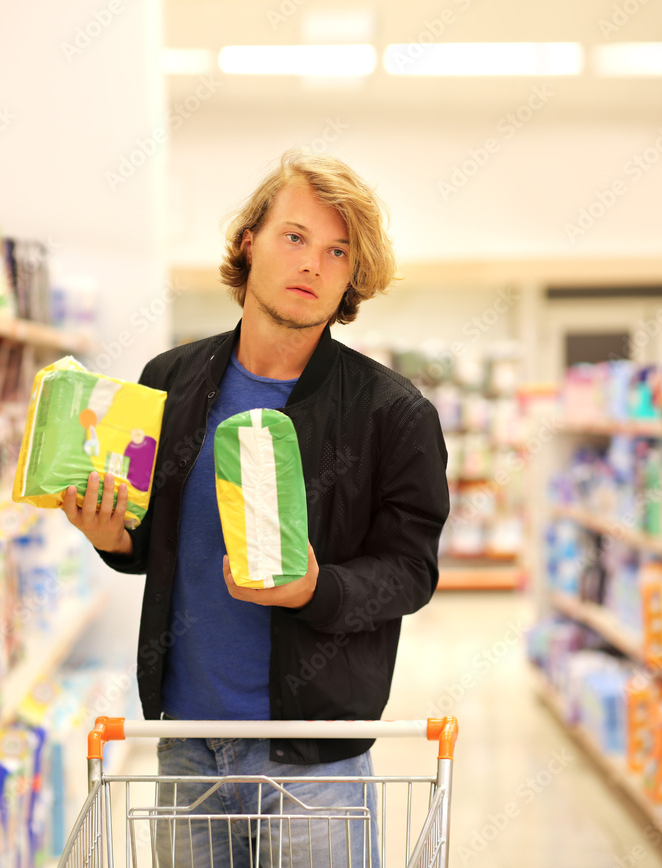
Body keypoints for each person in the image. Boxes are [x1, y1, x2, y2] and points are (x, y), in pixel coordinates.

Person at [62, 149, 450, 867]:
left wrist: (316, 588)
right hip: (183, 748)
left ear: (352, 277)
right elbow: (149, 545)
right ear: (250, 242)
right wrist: (112, 538)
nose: (313, 265)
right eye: (295, 237)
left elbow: (410, 571)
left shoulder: (391, 413)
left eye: (338, 252)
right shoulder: (170, 380)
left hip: (316, 761)